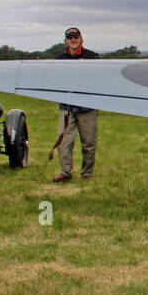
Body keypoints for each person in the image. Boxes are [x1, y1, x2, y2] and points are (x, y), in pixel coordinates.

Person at [52, 27, 99, 182]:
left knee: (89, 142)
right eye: (70, 38)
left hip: (87, 107)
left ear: (81, 39)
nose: (73, 40)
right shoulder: (58, 60)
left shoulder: (92, 57)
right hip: (67, 108)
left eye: (76, 37)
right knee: (64, 141)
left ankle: (87, 173)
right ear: (66, 41)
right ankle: (65, 172)